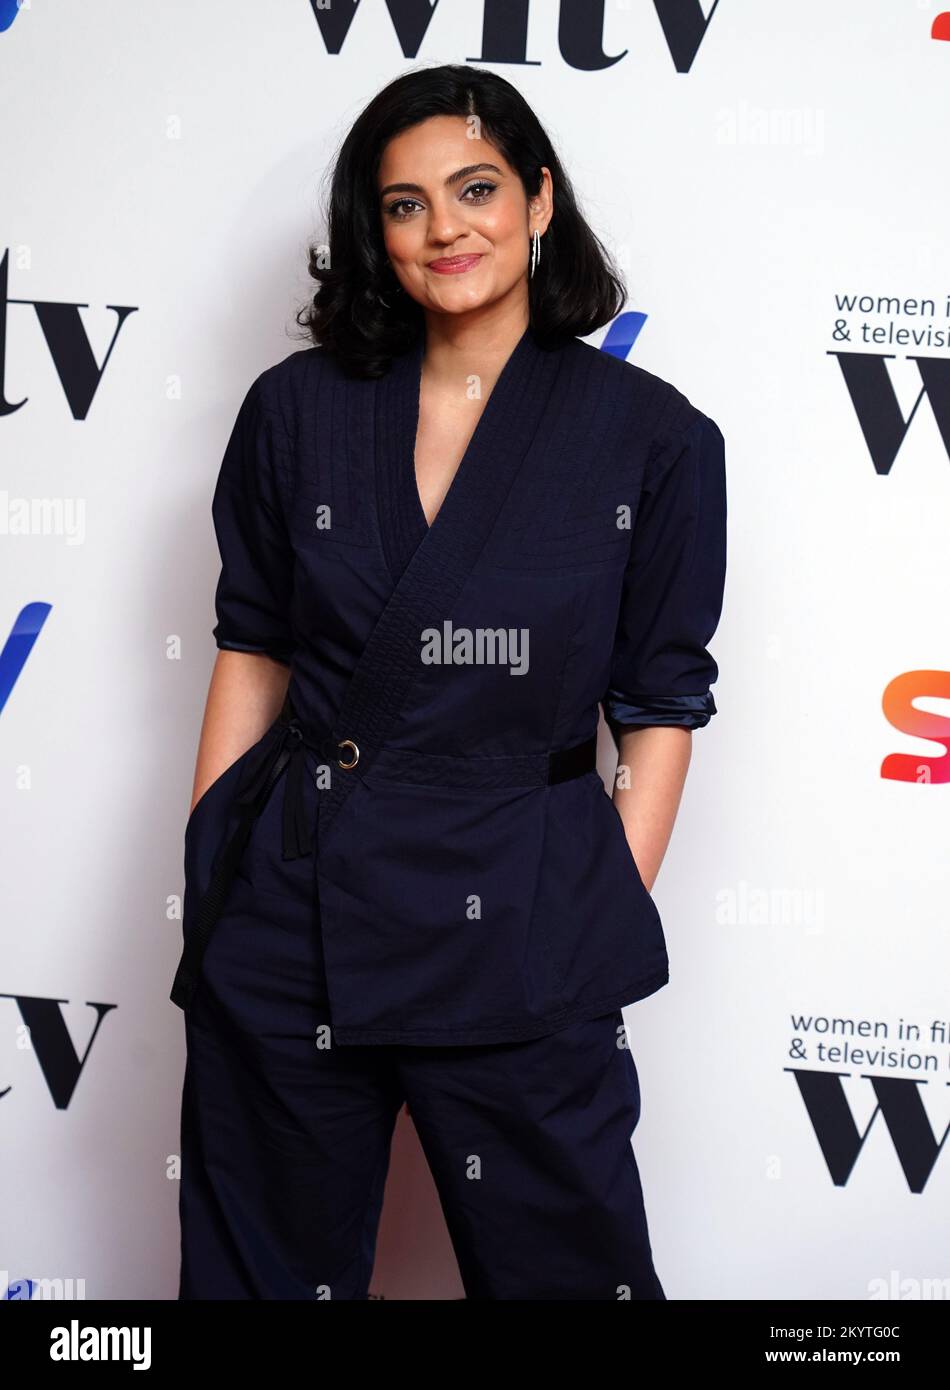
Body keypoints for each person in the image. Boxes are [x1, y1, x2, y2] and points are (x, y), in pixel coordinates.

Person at [172, 63, 727, 1301]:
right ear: (374, 233)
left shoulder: (654, 436)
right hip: (294, 920)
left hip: (522, 926)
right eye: (403, 204)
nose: (443, 229)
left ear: (537, 202)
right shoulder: (292, 412)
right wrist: (217, 873)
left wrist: (586, 906)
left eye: (474, 189)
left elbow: (658, 703)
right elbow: (251, 647)